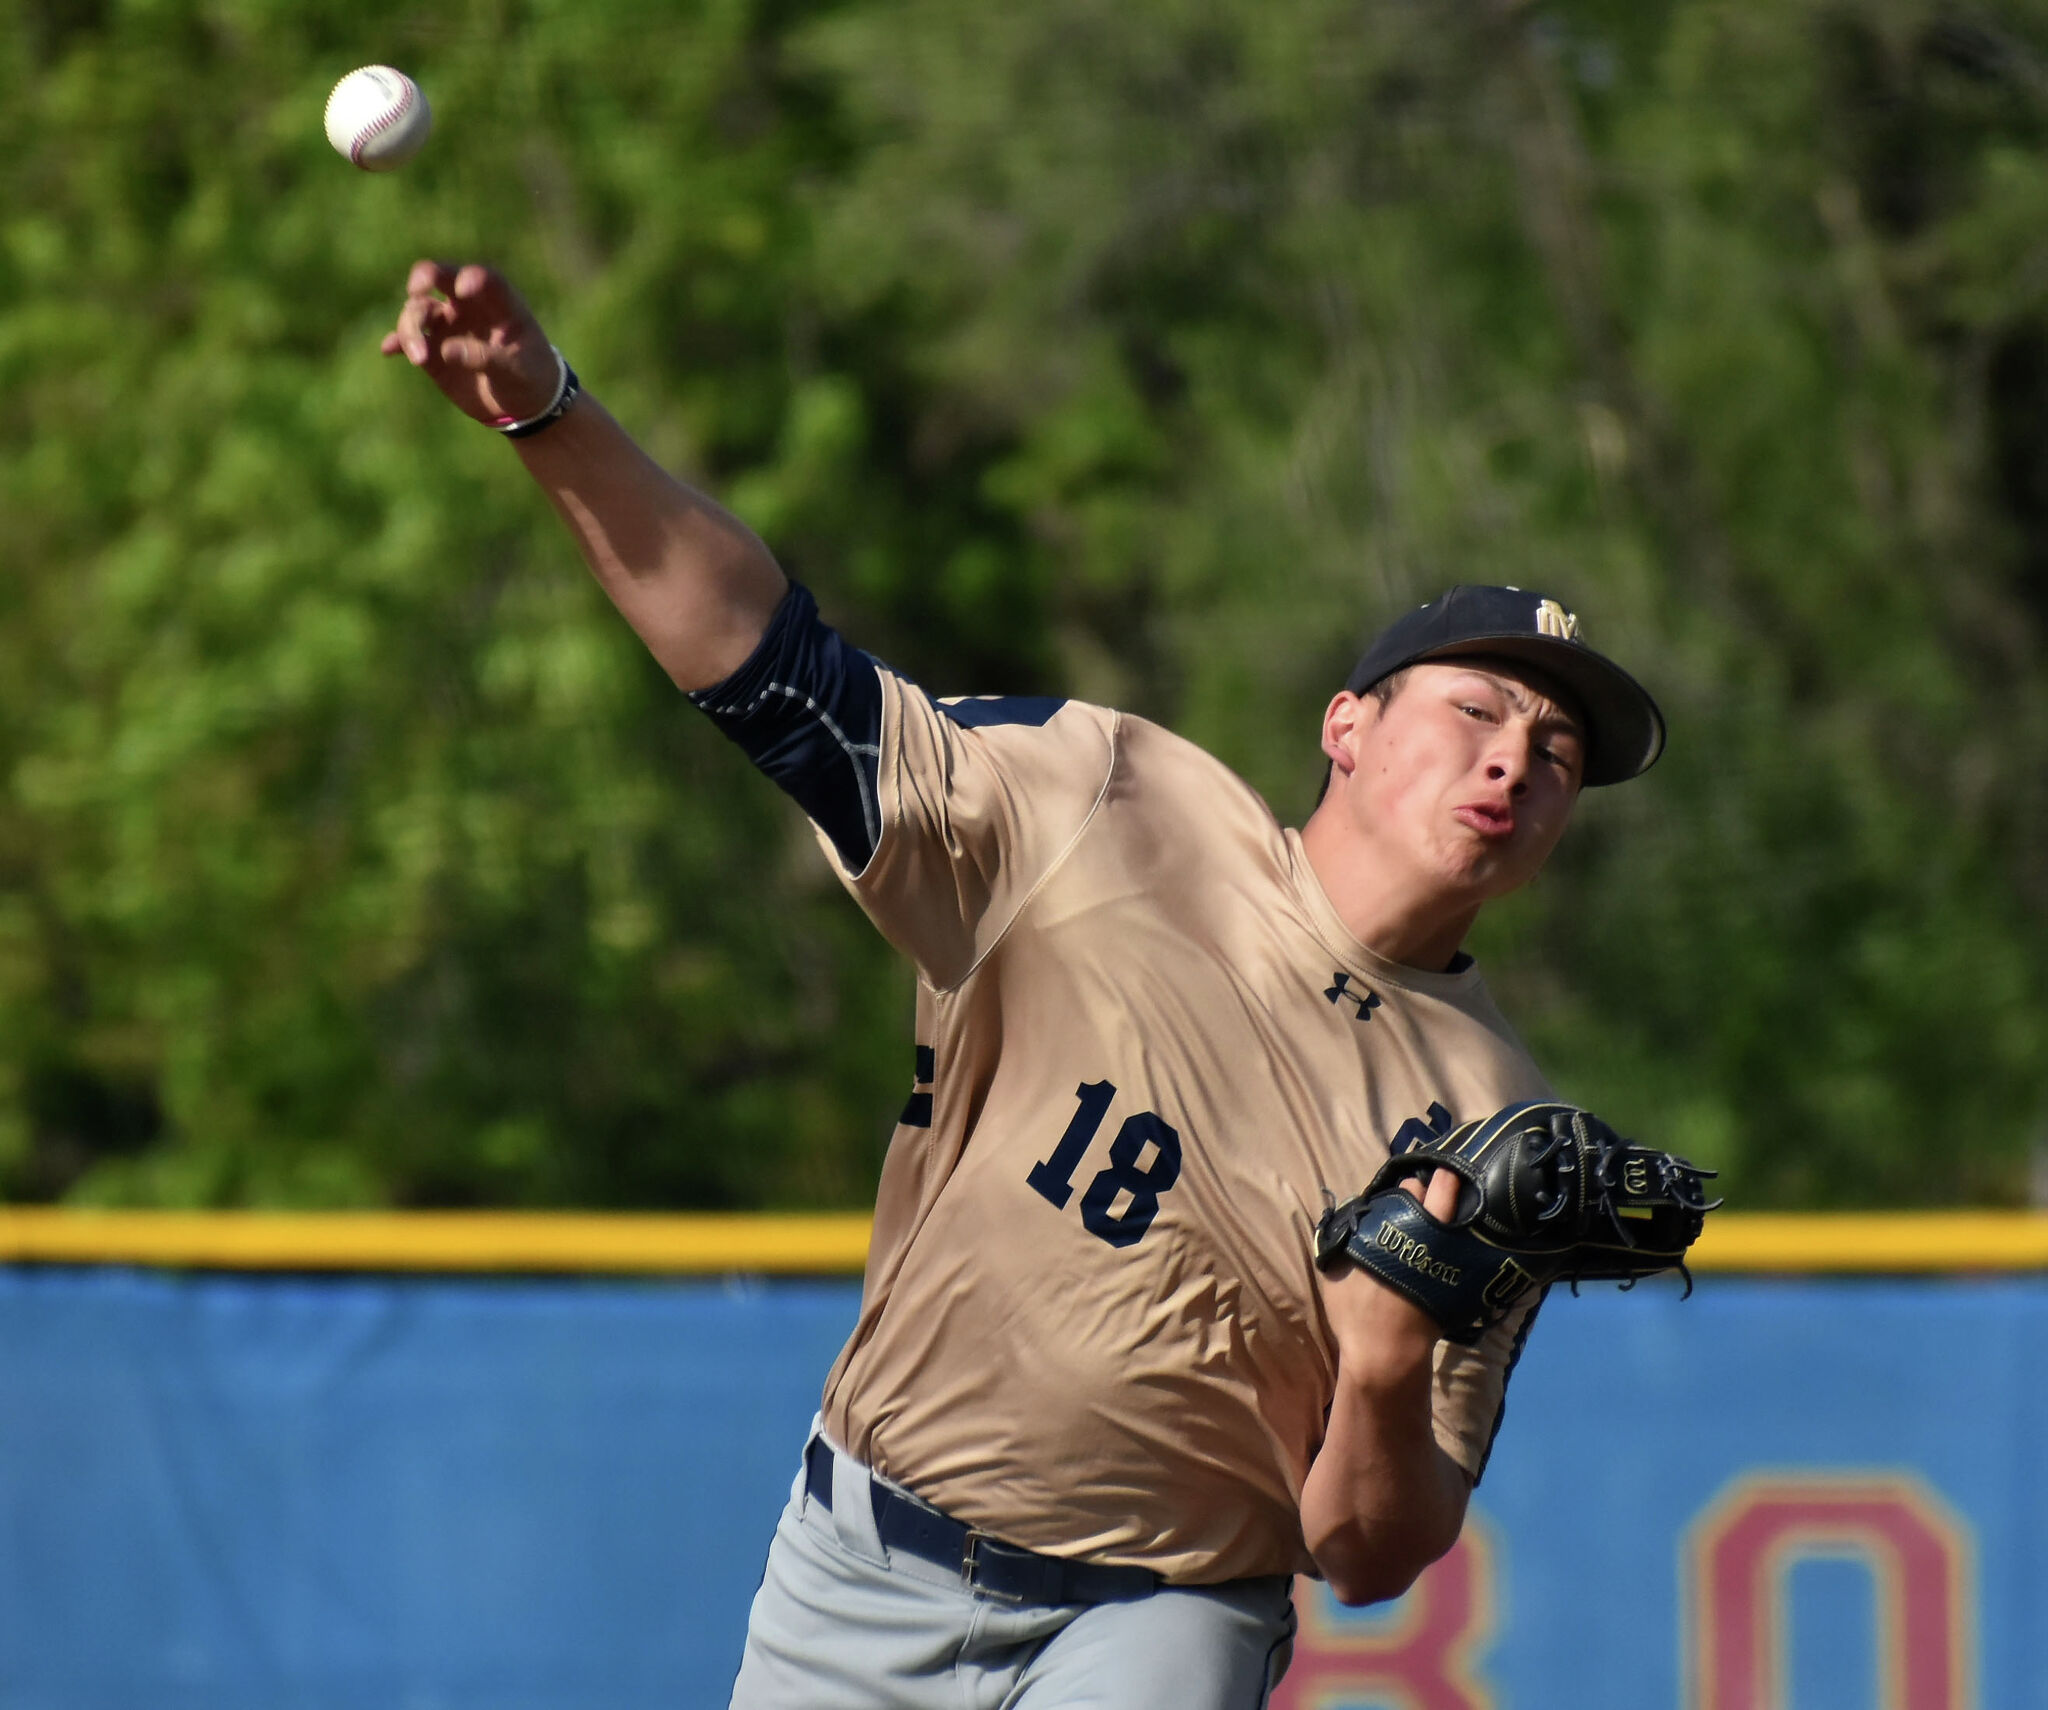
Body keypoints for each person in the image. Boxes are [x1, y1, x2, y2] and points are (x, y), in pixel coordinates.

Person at [385, 261, 1667, 1709]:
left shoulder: (1501, 1129)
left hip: (1164, 1613)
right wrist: (550, 416)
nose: (1516, 757)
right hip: (860, 1560)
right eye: (1480, 708)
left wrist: (1379, 1366)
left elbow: (1371, 1553)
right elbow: (778, 676)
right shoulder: (1105, 799)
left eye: (1559, 755)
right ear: (1349, 726)